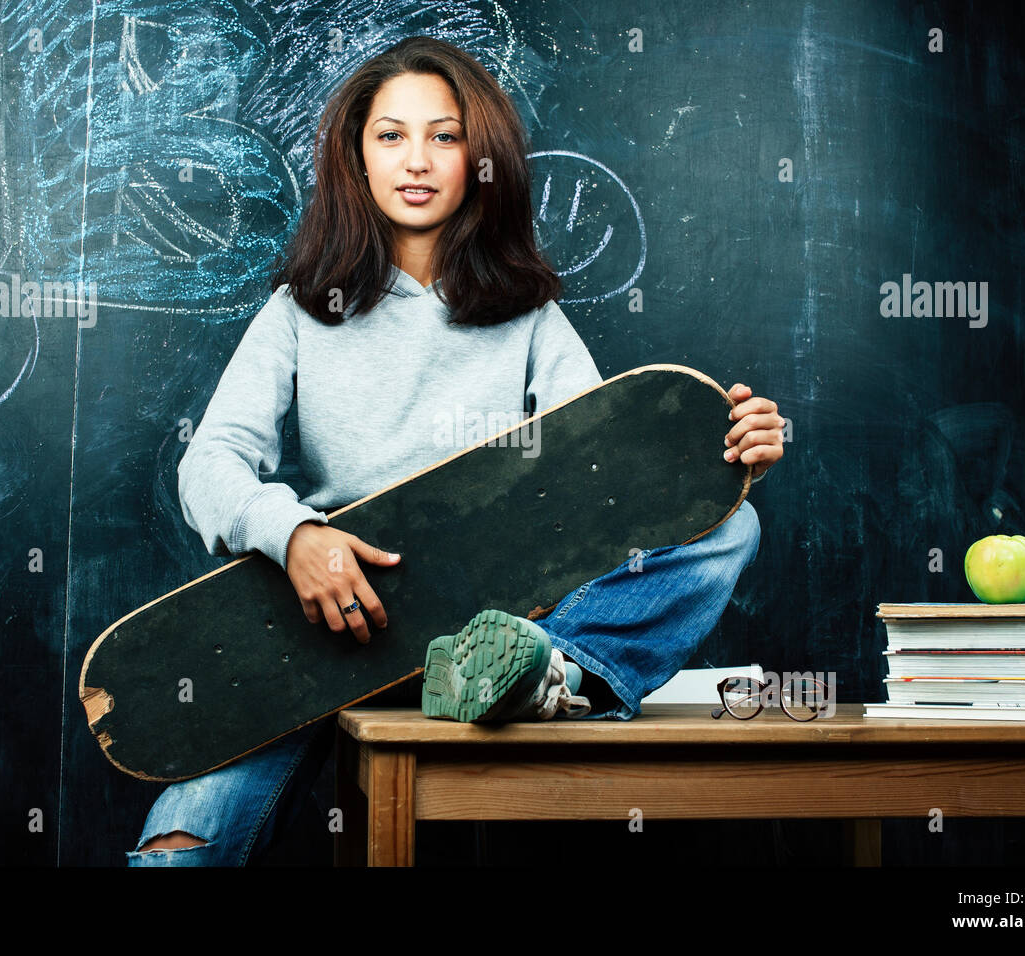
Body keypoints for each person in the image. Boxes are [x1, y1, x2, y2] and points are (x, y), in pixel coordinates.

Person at [127, 35, 783, 866]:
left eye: (444, 137)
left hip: (491, 629)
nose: (417, 159)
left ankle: (554, 677)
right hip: (332, 618)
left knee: (732, 530)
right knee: (184, 844)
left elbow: (608, 469)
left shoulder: (531, 318)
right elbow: (209, 463)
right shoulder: (301, 311)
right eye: (391, 136)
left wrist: (715, 461)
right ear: (356, 158)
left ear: (480, 159)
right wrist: (294, 536)